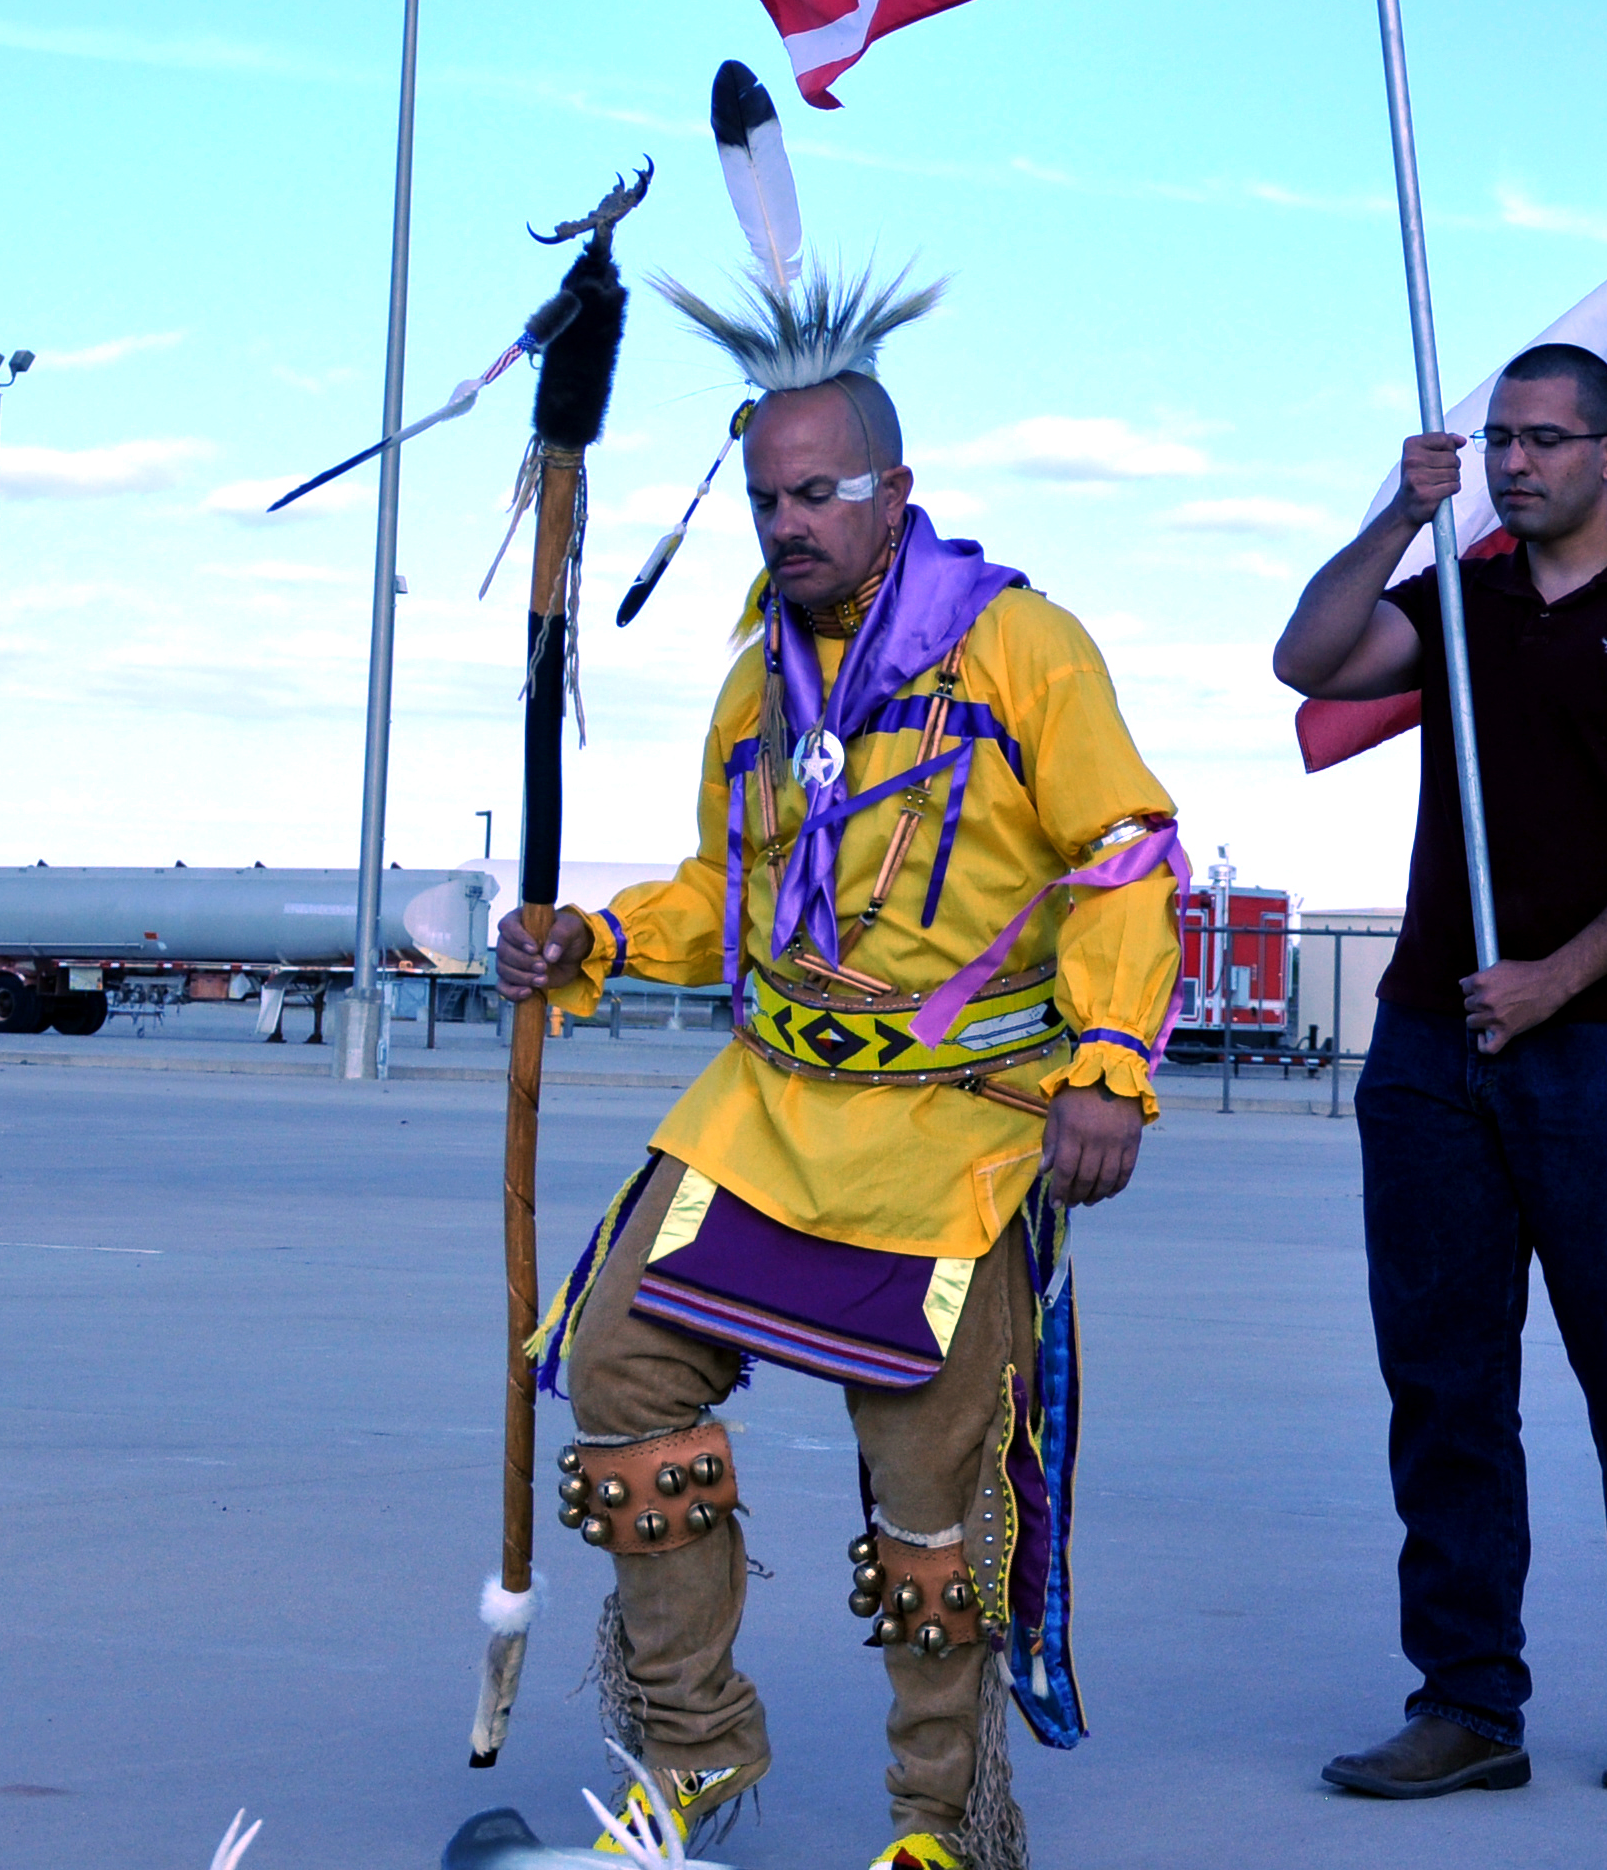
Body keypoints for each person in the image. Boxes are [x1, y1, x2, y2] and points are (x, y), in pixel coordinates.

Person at [496, 275, 1181, 1870]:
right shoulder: (756, 683)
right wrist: (589, 934)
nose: (786, 522)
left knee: (929, 1504)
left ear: (897, 494)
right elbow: (721, 897)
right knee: (620, 1372)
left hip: (957, 1138)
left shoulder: (1021, 648)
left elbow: (1126, 854)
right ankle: (694, 1764)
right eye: (764, 496)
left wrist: (1108, 1065)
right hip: (770, 1108)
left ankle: (936, 1829)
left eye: (818, 491)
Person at [1269, 343, 1607, 1799]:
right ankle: (1468, 1702)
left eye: (1547, 441)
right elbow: (1311, 660)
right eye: (1499, 441)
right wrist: (1395, 517)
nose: (1516, 465)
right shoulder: (1465, 598)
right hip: (1438, 1034)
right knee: (1442, 1379)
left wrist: (1560, 975)